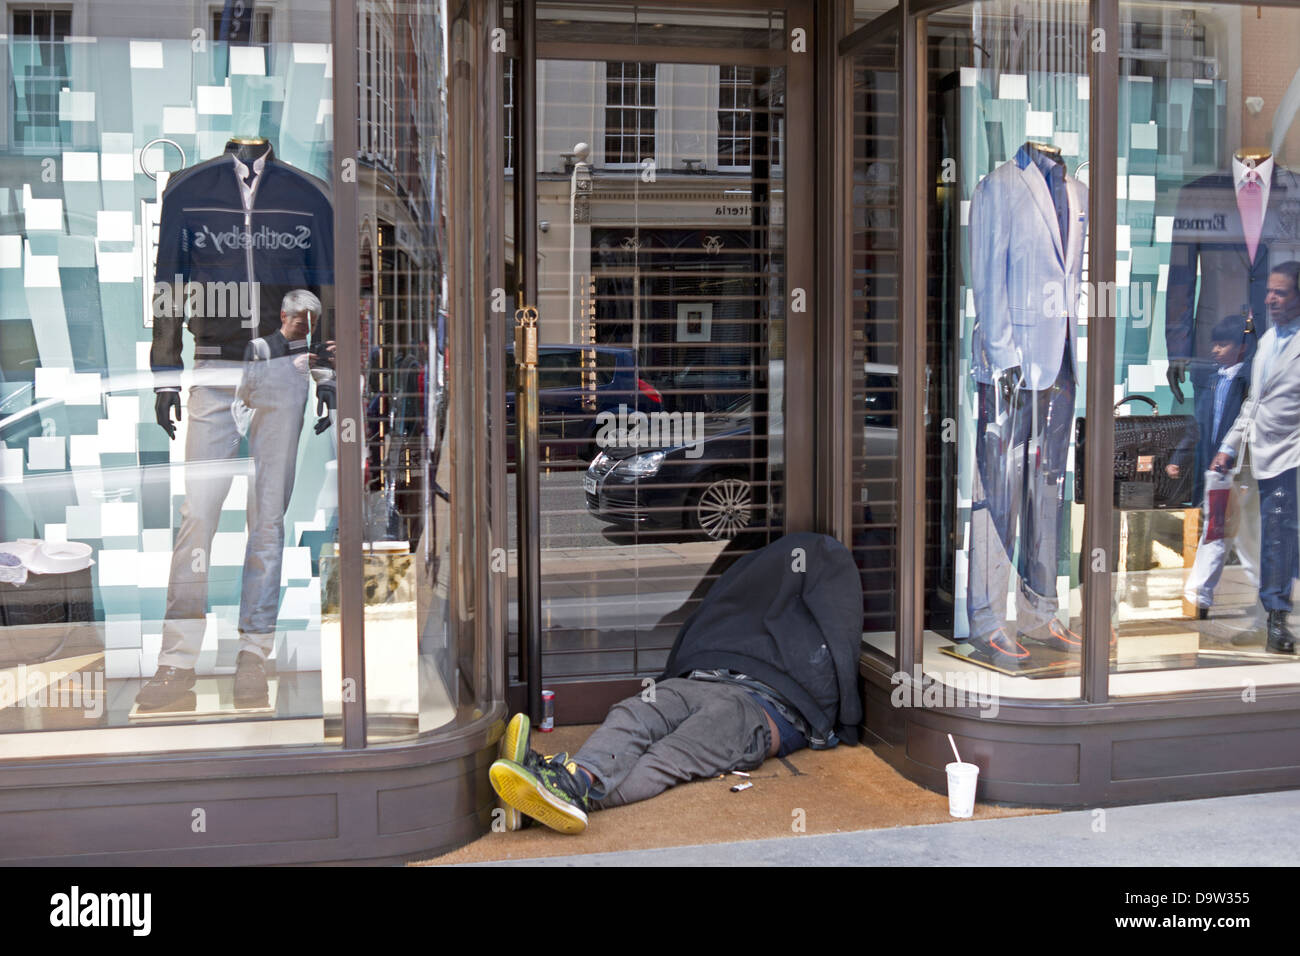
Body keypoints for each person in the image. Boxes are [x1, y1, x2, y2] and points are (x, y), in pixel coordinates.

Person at [489, 532, 863, 833]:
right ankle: (573, 779)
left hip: (758, 706)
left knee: (670, 755)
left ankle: (552, 794)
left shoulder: (816, 619)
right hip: (702, 678)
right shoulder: (754, 610)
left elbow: (828, 677)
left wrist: (834, 723)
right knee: (634, 712)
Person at [137, 290, 329, 710]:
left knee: (267, 518)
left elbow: (324, 280)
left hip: (283, 364)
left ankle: (254, 656)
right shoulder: (193, 219)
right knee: (198, 515)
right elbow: (169, 279)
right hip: (214, 360)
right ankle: (177, 659)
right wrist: (165, 373)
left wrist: (326, 371)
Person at [1211, 263, 1300, 654]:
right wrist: (1228, 447)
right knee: (1262, 540)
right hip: (1257, 455)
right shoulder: (1266, 341)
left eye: (1280, 293)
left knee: (1279, 540)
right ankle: (1271, 612)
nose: (1270, 299)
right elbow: (1253, 403)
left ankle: (1277, 620)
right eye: (1269, 291)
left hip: (1290, 457)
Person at [1166, 314, 1259, 621]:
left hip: (1242, 468)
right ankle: (1200, 595)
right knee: (1219, 531)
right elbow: (1197, 426)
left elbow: (1248, 424)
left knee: (1243, 535)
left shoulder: (1249, 382)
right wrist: (1180, 456)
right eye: (1214, 344)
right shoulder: (1213, 381)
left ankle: (1205, 594)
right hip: (1217, 472)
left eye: (1224, 344)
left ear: (1242, 347)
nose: (1216, 350)